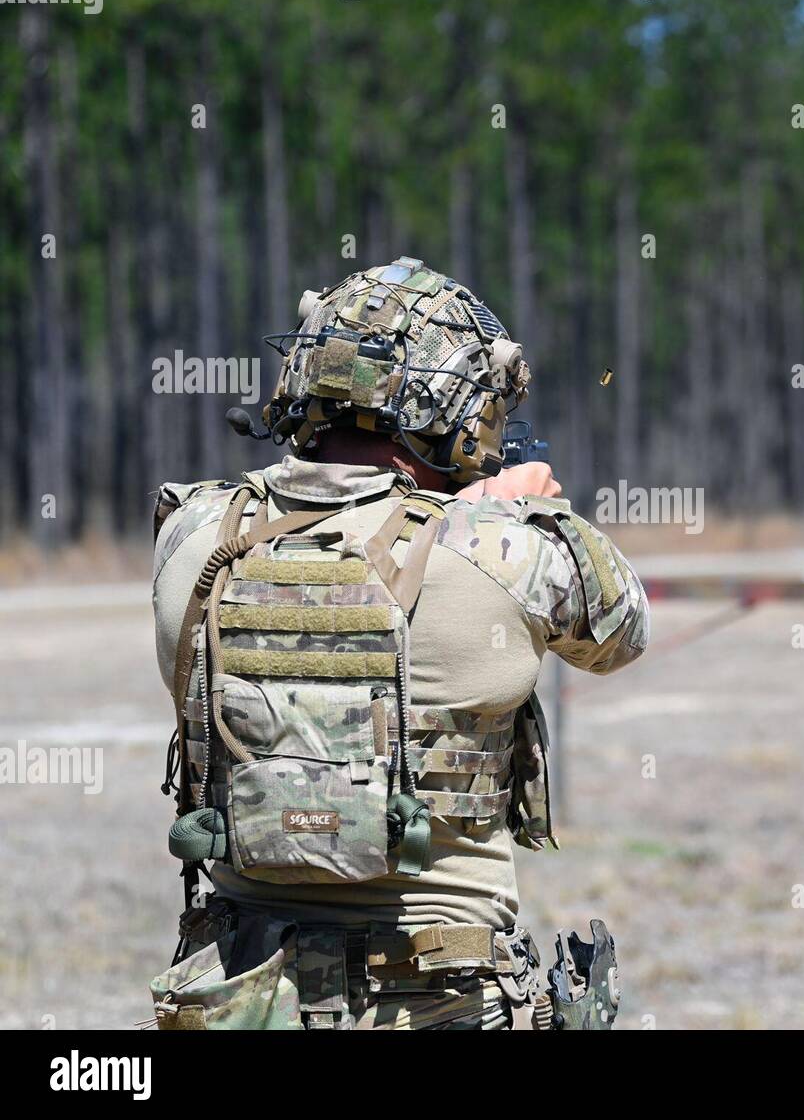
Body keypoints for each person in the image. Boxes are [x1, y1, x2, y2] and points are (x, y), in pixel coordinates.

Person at [147, 257, 648, 1029]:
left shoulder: (189, 537)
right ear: (452, 407)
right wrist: (511, 511)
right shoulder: (502, 552)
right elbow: (622, 632)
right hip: (440, 997)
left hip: (240, 994)